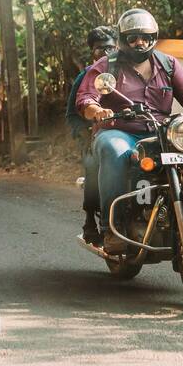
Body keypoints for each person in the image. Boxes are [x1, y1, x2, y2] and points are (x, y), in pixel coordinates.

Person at [75, 8, 183, 253]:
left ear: (154, 37)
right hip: (120, 129)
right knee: (115, 152)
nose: (140, 42)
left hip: (160, 130)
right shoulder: (108, 66)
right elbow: (86, 98)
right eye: (133, 37)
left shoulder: (167, 64)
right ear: (123, 39)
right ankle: (113, 228)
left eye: (145, 37)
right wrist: (97, 110)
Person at [66, 25, 118, 245]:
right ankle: (90, 222)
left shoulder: (125, 71)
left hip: (124, 132)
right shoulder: (87, 75)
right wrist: (85, 135)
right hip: (94, 134)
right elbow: (72, 112)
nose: (105, 54)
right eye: (100, 49)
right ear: (92, 52)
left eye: (110, 48)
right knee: (92, 166)